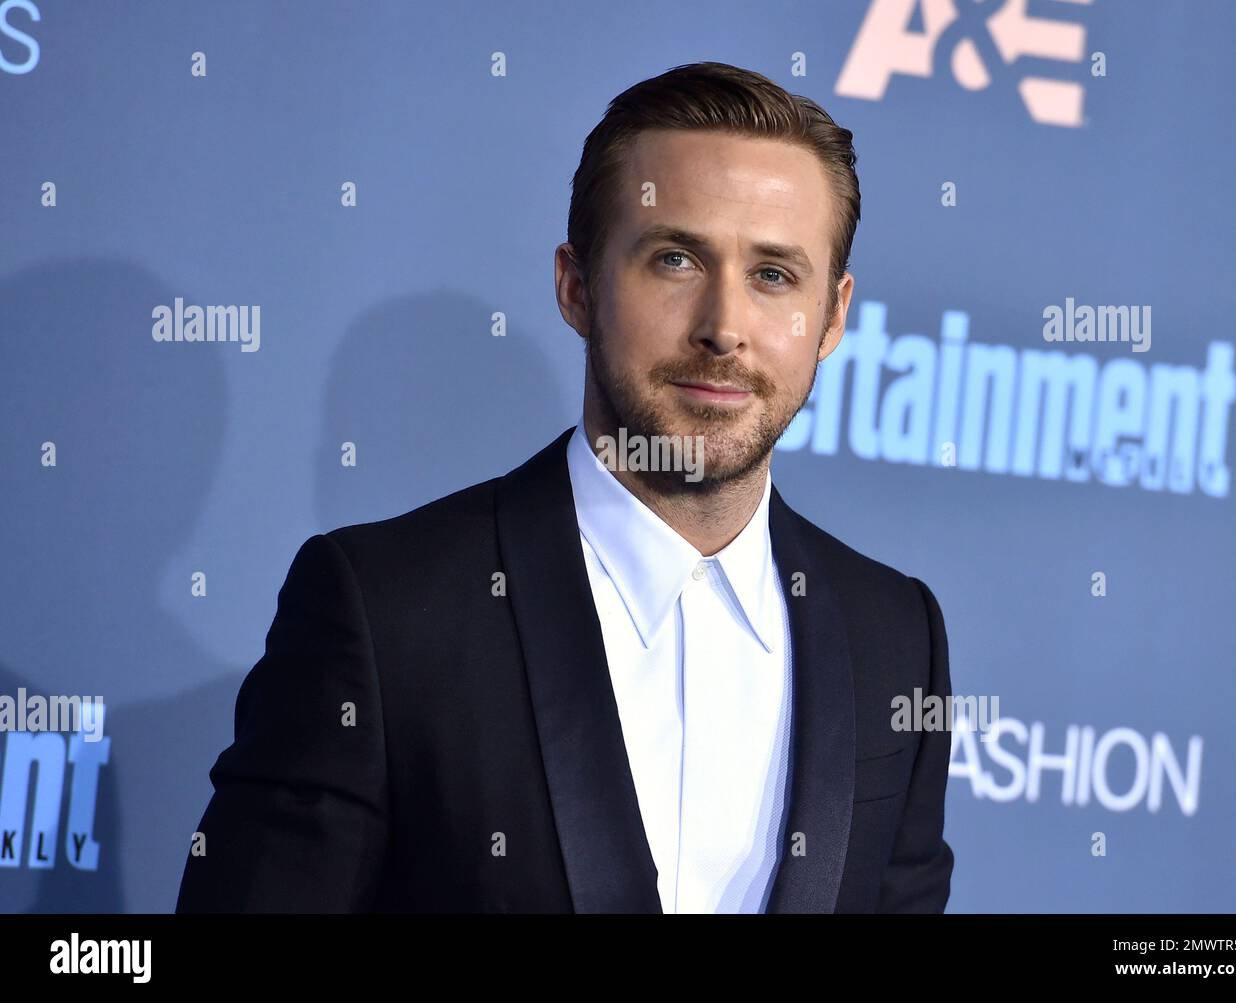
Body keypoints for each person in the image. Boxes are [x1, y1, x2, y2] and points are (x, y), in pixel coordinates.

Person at [176, 61, 955, 914]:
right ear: (576, 287)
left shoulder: (894, 636)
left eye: (773, 275)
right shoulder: (386, 613)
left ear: (834, 316)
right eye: (675, 258)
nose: (724, 327)